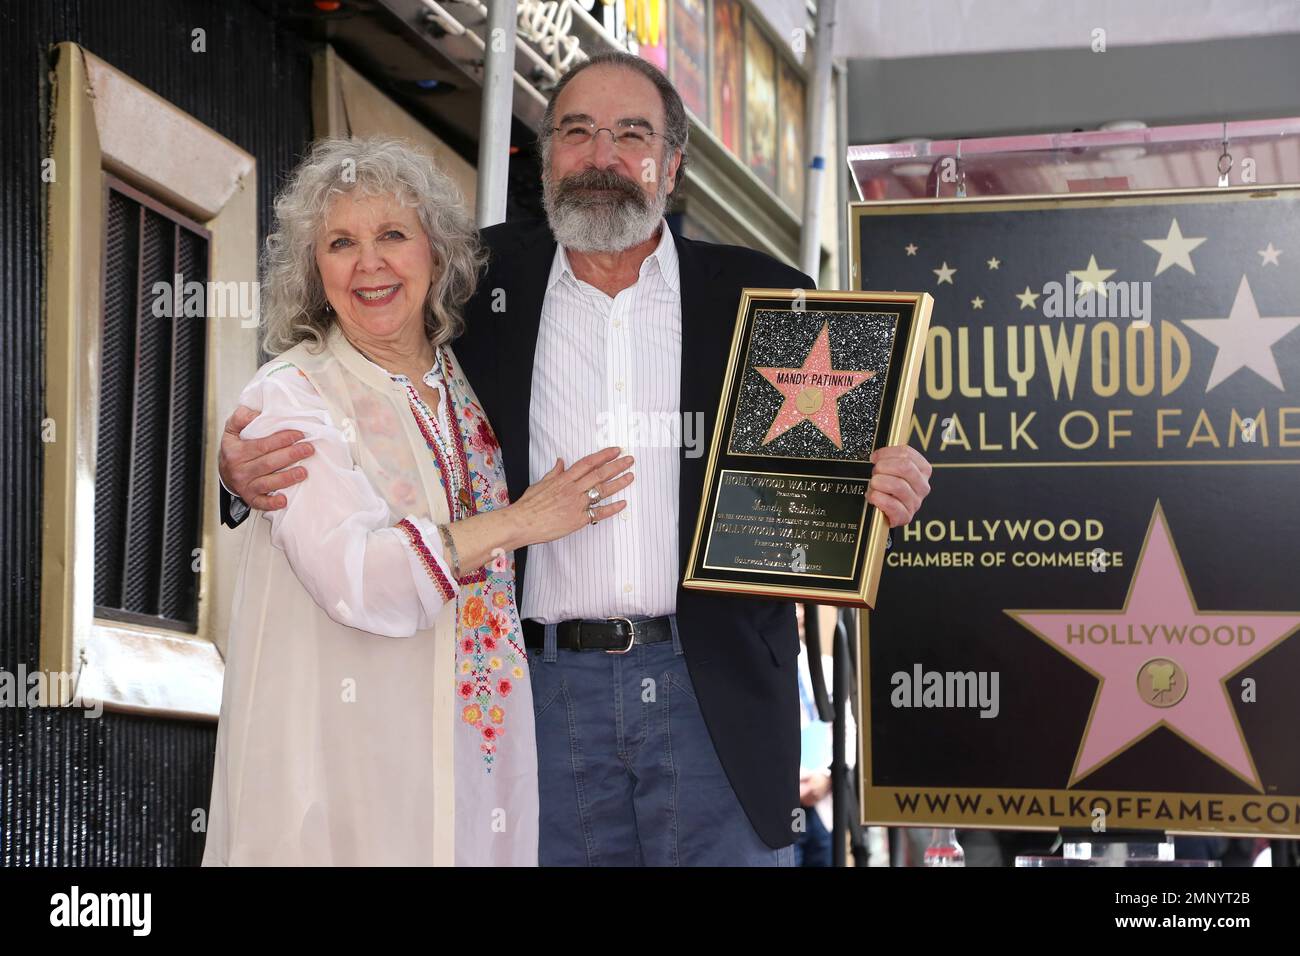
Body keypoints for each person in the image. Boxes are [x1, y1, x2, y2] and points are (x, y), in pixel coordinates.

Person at [219, 53, 932, 866]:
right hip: (532, 696)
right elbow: (356, 376)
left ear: (672, 163)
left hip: (715, 695)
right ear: (546, 155)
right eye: (577, 132)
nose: (601, 157)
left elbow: (816, 494)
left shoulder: (766, 295)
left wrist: (874, 490)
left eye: (632, 134)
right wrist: (241, 470)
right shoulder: (471, 287)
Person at [203, 137, 632, 866]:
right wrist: (522, 521)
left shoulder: (469, 384)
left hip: (480, 762)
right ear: (314, 269)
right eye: (341, 242)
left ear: (436, 252)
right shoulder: (291, 395)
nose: (370, 263)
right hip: (344, 773)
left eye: (392, 235)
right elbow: (358, 577)